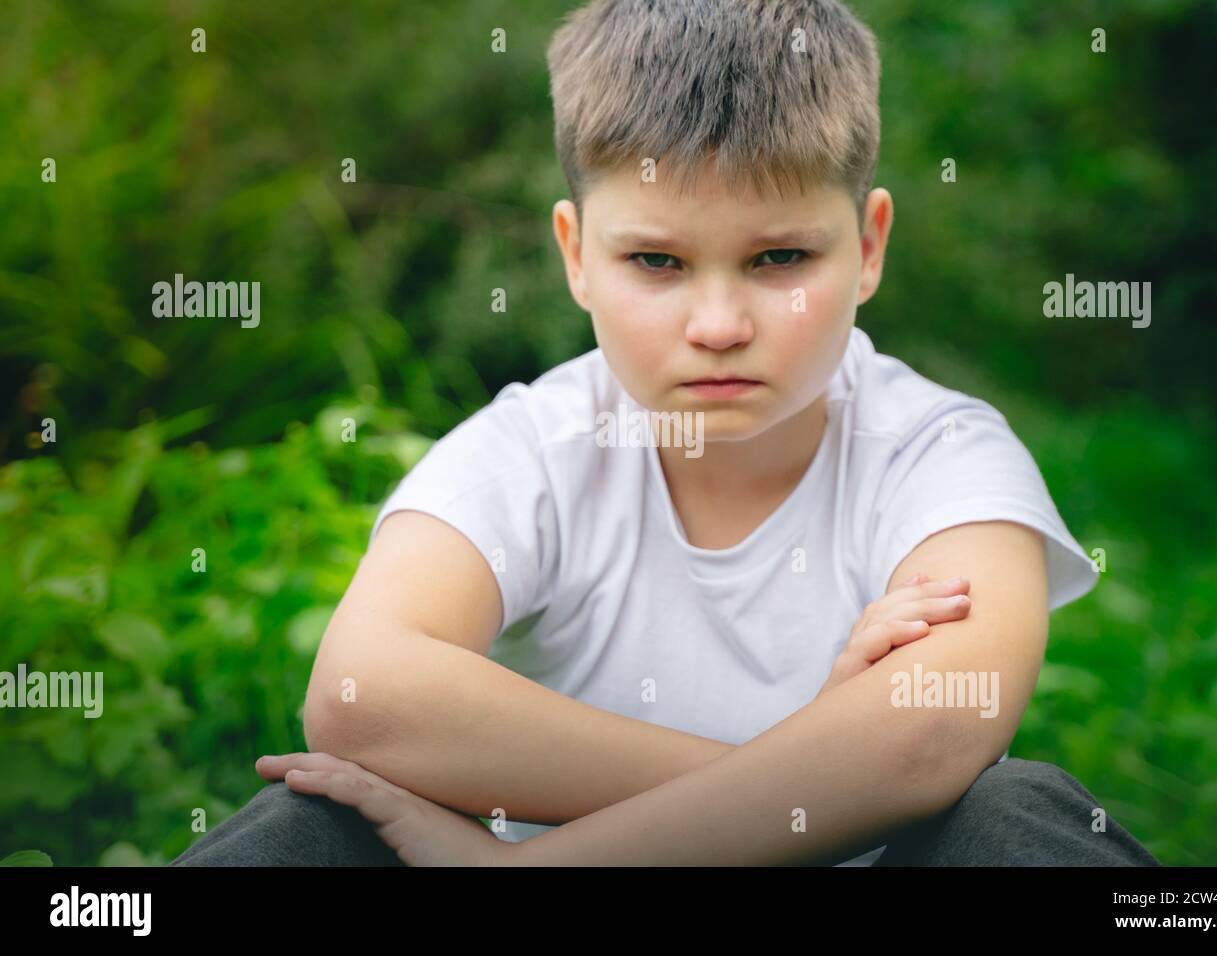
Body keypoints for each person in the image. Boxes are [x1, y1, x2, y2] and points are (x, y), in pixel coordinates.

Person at [173, 0, 1158, 867]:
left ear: (867, 247)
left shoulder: (939, 453)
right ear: (575, 254)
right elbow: (354, 693)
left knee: (1021, 814)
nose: (719, 322)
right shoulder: (530, 450)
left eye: (779, 256)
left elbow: (933, 735)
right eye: (656, 260)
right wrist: (827, 769)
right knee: (304, 824)